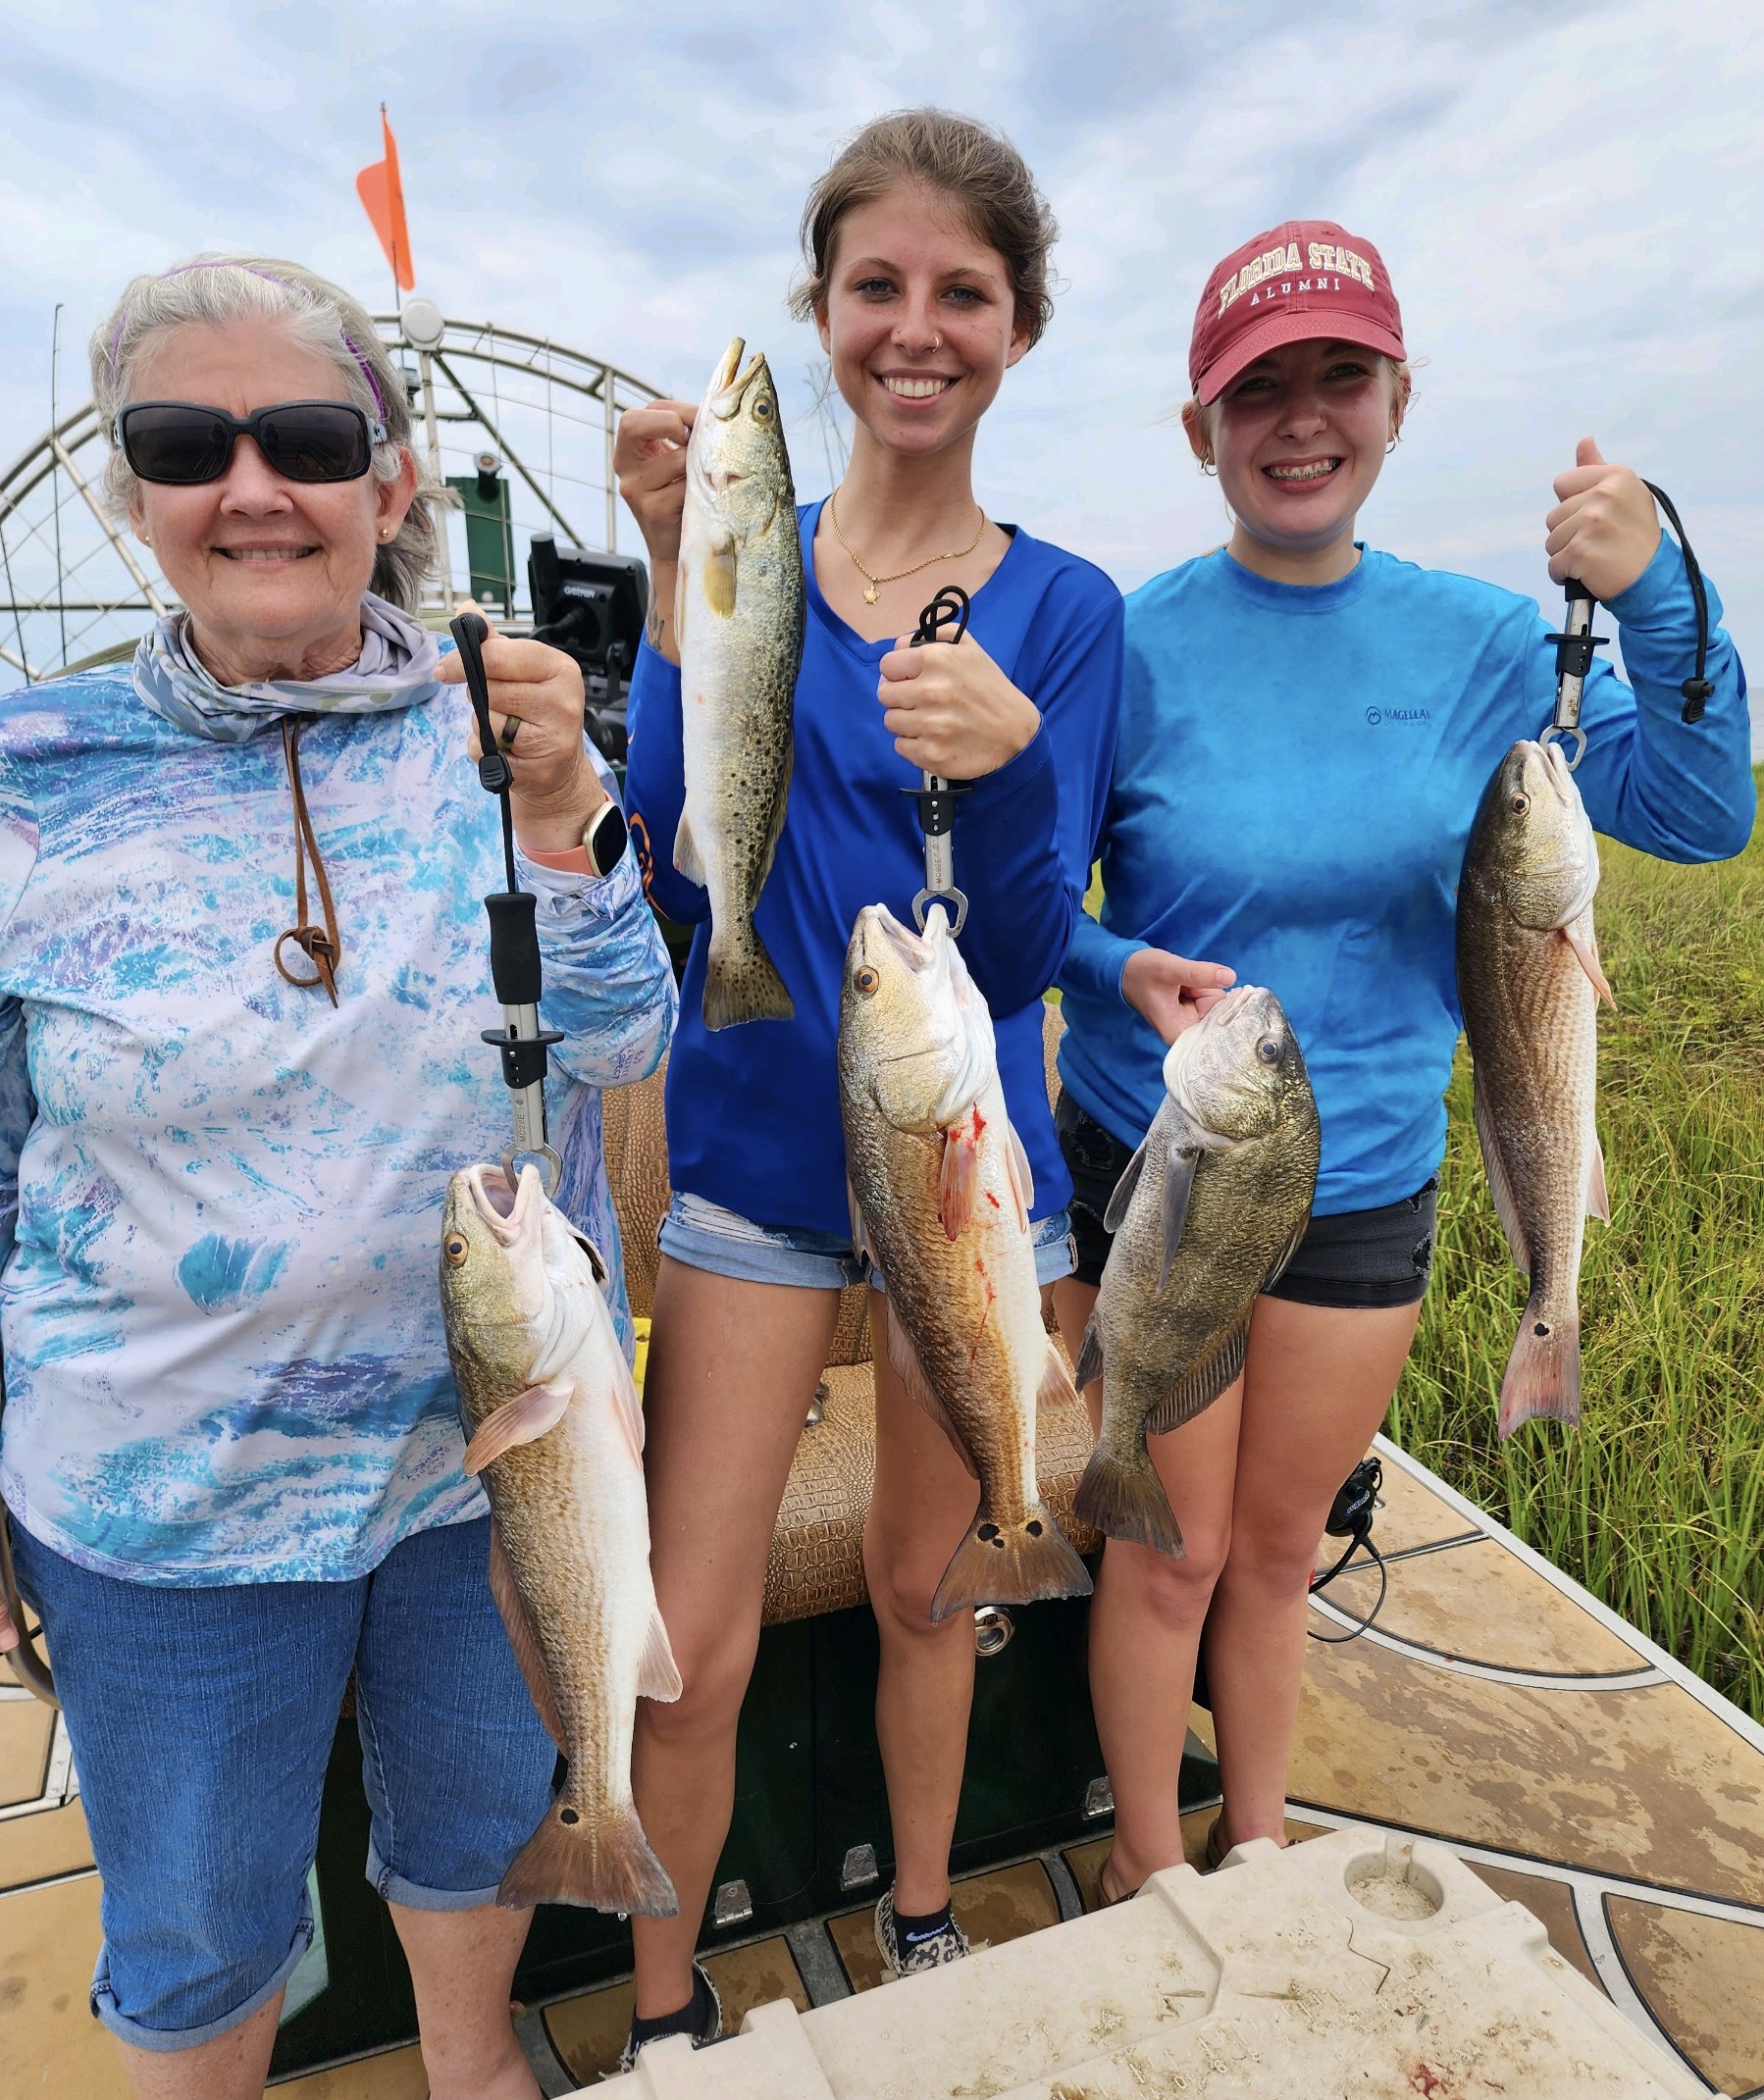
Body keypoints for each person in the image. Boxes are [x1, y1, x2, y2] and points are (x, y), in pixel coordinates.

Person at [0, 256, 676, 2100]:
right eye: (183, 441)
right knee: (197, 1914)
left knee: (472, 1819)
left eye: (307, 437)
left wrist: (561, 819)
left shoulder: (505, 721)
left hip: (492, 1471)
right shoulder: (29, 772)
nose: (250, 485)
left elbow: (620, 1038)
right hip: (159, 1500)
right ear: (124, 488)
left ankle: (476, 2072)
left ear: (391, 487)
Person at [1052, 219, 1753, 1905]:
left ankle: (1263, 1835)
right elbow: (1018, 911)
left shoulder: (1489, 648)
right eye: (1257, 390)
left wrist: (1656, 586)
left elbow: (1700, 803)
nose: (1301, 421)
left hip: (1367, 1171)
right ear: (1197, 428)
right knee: (1167, 1548)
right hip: (1168, 1165)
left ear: (1396, 400)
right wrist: (1112, 963)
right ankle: (1155, 1877)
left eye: (1338, 379)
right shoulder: (1126, 642)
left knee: (1279, 1549)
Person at [615, 109, 1120, 2060]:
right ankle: (666, 2002)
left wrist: (1006, 772)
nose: (915, 328)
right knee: (692, 1638)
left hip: (954, 1162)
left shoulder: (1061, 611)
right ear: (819, 315)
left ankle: (919, 1916)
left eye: (961, 293)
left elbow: (1008, 945)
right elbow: (679, 829)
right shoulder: (746, 543)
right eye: (875, 287)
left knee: (930, 1581)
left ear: (1017, 326)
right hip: (746, 1157)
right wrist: (677, 569)